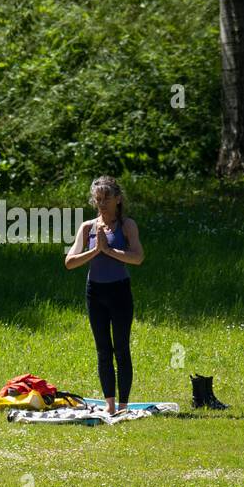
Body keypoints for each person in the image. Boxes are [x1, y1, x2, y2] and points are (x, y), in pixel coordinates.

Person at [64, 176, 144, 414]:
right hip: (95, 292)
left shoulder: (127, 225)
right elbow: (69, 262)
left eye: (107, 199)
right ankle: (109, 405)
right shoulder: (87, 227)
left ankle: (123, 404)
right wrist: (96, 250)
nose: (102, 204)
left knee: (121, 347)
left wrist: (109, 250)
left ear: (118, 199)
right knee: (103, 349)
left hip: (119, 290)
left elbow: (138, 257)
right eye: (98, 199)